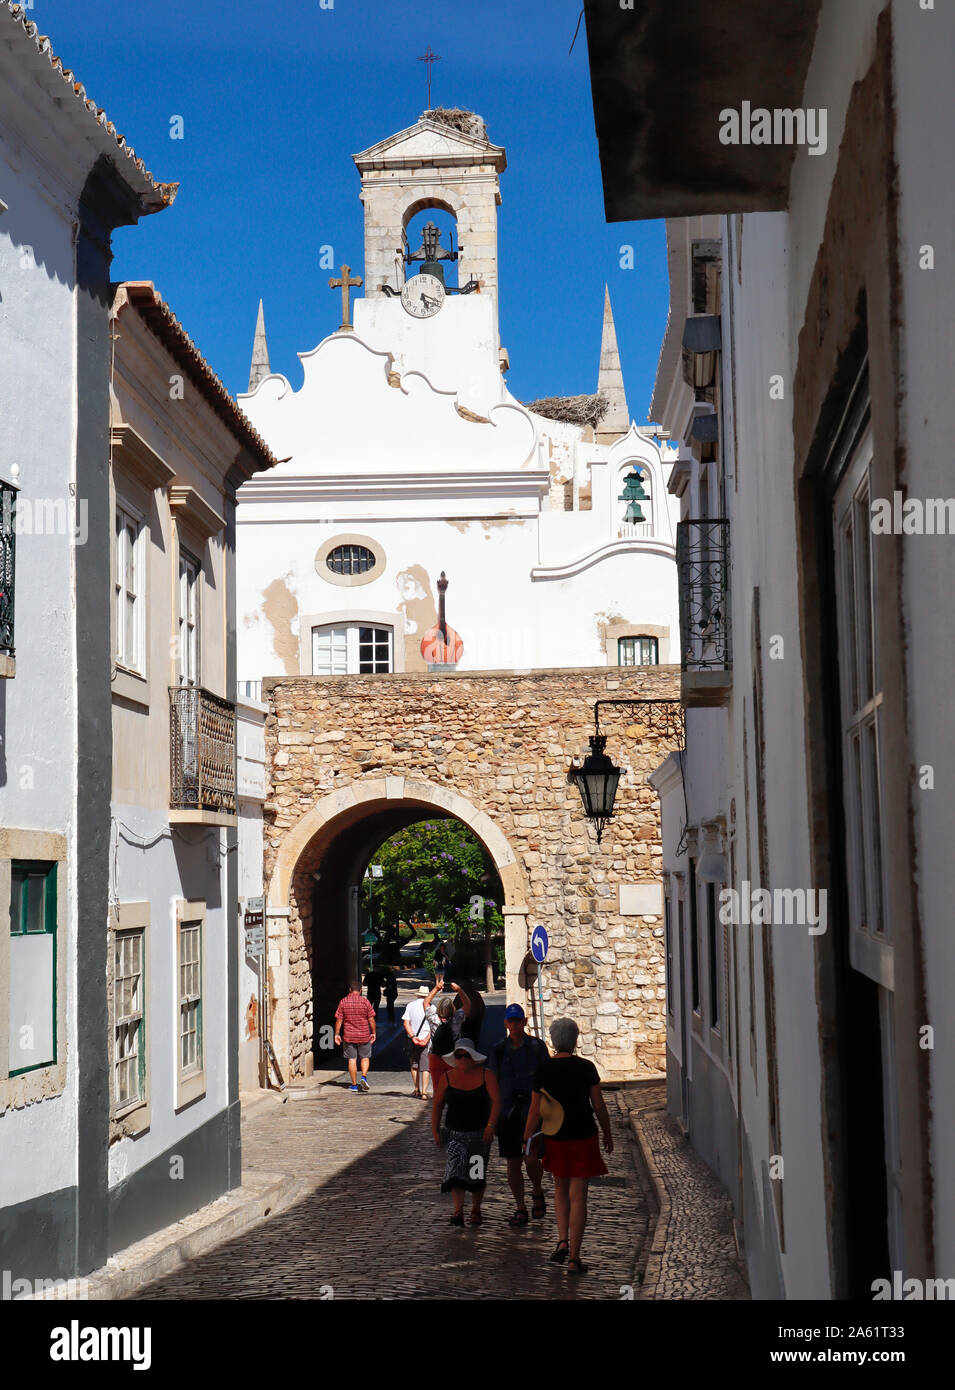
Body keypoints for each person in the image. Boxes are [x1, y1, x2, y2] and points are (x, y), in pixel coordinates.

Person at [523, 1017, 613, 1275]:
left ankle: (562, 1239)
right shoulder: (586, 1068)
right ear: (574, 1040)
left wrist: (527, 1137)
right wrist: (607, 1133)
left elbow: (534, 1110)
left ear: (553, 1039)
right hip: (584, 1136)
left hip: (556, 1137)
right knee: (579, 1196)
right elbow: (599, 1106)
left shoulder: (543, 1070)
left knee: (560, 1190)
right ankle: (574, 1257)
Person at [432, 1040, 501, 1226]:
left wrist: (491, 1126)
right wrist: (435, 1129)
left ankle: (476, 1209)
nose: (462, 1059)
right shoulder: (447, 1078)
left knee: (476, 1173)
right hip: (454, 1132)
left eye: (466, 1055)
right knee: (455, 1172)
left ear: (474, 1057)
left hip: (479, 1134)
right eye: (459, 1055)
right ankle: (458, 1210)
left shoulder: (487, 1076)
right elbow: (437, 1105)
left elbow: (496, 1102)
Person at [493, 1004, 549, 1226]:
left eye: (518, 1020)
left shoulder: (537, 1047)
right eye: (511, 1021)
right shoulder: (498, 1050)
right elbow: (492, 1084)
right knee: (513, 1162)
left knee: (531, 1158)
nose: (515, 1025)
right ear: (506, 1023)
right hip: (507, 1114)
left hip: (532, 1113)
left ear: (524, 1022)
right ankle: (520, 1207)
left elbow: (547, 1080)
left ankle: (536, 1190)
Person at [333, 980, 377, 1094]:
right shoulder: (365, 1002)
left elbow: (339, 1019)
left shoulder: (343, 1002)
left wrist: (337, 1034)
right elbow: (371, 1019)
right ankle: (363, 1077)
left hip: (349, 1035)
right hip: (364, 1035)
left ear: (350, 990)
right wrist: (373, 1032)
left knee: (352, 1059)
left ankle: (353, 1084)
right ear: (361, 990)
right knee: (365, 1057)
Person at [402, 982, 440, 1098]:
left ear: (418, 994)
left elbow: (406, 1023)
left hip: (413, 1039)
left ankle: (416, 1089)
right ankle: (424, 1092)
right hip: (426, 1040)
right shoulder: (432, 1008)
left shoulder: (410, 1005)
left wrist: (413, 1037)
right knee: (425, 1067)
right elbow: (434, 1026)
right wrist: (426, 1039)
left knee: (414, 1065)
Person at [428, 995, 457, 1097]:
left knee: (437, 1087)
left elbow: (426, 1003)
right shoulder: (456, 1020)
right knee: (453, 1086)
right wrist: (459, 990)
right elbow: (468, 1006)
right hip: (451, 1057)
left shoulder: (433, 1018)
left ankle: (437, 1108)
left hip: (435, 1056)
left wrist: (437, 988)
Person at [453, 978, 485, 1047]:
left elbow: (481, 1008)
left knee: (472, 1039)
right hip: (464, 1021)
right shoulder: (460, 996)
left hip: (473, 1021)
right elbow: (454, 1008)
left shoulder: (475, 995)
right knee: (466, 1040)